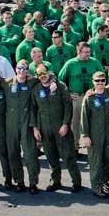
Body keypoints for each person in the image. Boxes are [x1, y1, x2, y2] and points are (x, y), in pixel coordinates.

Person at [0, 63, 40, 193]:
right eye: (19, 68)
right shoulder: (7, 83)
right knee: (13, 153)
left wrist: (52, 79)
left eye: (24, 69)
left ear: (28, 71)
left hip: (26, 122)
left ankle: (33, 183)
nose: (21, 71)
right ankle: (19, 181)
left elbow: (48, 76)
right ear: (15, 69)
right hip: (11, 123)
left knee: (30, 153)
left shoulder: (32, 82)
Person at [33, 63, 80, 192]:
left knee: (69, 155)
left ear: (49, 73)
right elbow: (33, 109)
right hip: (44, 128)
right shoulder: (36, 89)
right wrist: (35, 128)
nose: (43, 76)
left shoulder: (60, 86)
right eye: (39, 74)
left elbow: (68, 106)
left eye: (44, 73)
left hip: (60, 127)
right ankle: (55, 181)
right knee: (51, 156)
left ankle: (76, 182)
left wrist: (65, 123)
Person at [57, 43, 105, 156]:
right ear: (79, 52)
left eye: (89, 52)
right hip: (76, 96)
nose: (89, 54)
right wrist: (67, 93)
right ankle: (75, 148)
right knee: (75, 123)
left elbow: (102, 75)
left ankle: (95, 146)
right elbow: (60, 79)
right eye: (86, 52)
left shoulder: (94, 62)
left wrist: (96, 89)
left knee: (93, 122)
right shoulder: (70, 63)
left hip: (91, 96)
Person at [81, 71, 109, 198]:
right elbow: (84, 117)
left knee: (108, 158)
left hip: (108, 132)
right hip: (94, 133)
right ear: (93, 82)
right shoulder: (89, 98)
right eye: (97, 81)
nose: (100, 83)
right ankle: (96, 186)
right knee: (95, 161)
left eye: (102, 80)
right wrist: (85, 135)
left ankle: (104, 181)